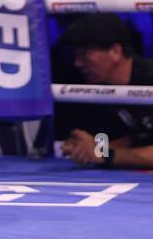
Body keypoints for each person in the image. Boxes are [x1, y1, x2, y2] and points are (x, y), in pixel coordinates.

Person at [56, 14, 153, 170]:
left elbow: (108, 153)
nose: (78, 63)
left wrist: (105, 154)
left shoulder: (148, 79)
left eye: (85, 53)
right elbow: (130, 139)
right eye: (76, 54)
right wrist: (84, 147)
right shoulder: (97, 89)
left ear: (115, 51)